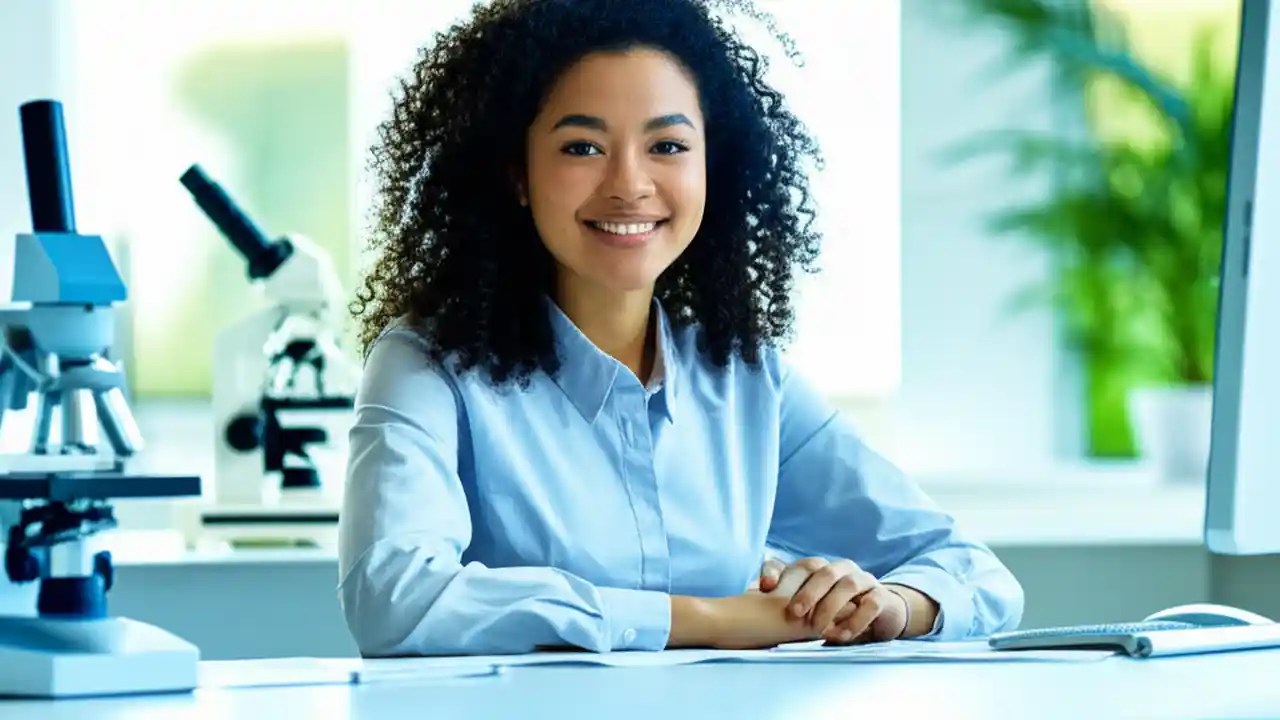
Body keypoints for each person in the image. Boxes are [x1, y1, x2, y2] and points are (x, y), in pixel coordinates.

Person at [340, 0, 1023, 657]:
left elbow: (976, 576)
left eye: (666, 144)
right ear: (518, 173)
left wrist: (886, 605)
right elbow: (393, 598)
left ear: (709, 168)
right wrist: (704, 620)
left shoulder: (747, 380)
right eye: (582, 147)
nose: (629, 184)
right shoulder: (427, 366)